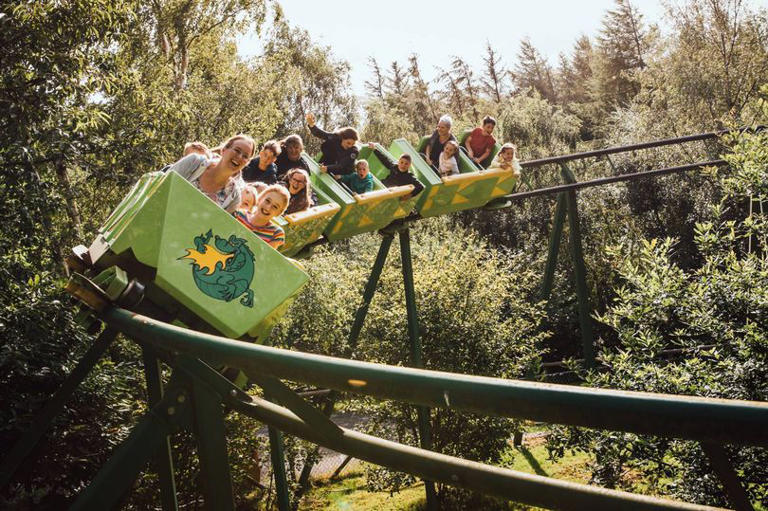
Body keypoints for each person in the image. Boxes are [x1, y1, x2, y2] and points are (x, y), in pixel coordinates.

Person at [168, 134, 255, 213]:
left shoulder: (233, 198)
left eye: (245, 156)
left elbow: (215, 226)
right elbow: (162, 182)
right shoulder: (194, 162)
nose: (240, 157)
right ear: (224, 150)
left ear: (247, 163)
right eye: (237, 150)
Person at [233, 184, 290, 249]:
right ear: (260, 198)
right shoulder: (238, 214)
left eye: (275, 207)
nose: (268, 208)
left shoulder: (276, 233)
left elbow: (265, 257)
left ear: (279, 213)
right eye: (267, 201)